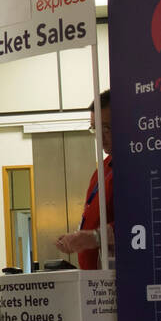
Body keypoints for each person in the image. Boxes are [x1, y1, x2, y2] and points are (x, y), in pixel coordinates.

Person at [56, 89, 113, 269]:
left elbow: (139, 223)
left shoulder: (138, 166)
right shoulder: (101, 170)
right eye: (95, 128)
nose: (100, 137)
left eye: (106, 128)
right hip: (94, 281)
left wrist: (94, 238)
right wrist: (77, 239)